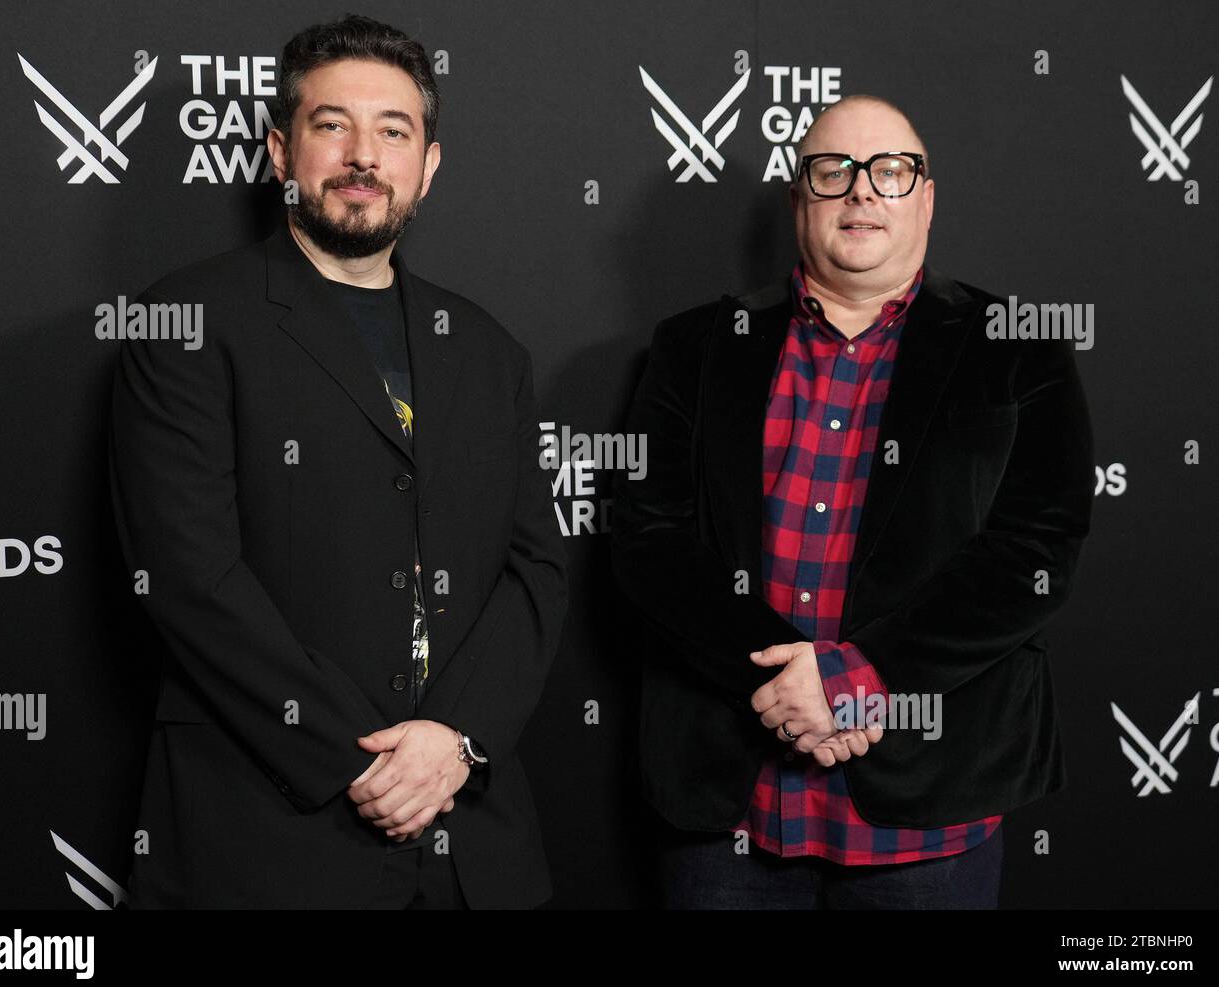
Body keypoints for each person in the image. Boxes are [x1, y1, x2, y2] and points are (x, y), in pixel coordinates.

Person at [108, 14, 567, 909]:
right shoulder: (187, 323)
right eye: (332, 125)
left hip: (473, 848)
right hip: (269, 842)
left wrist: (455, 740)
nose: (365, 155)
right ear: (280, 151)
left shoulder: (487, 350)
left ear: (428, 165)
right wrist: (360, 761)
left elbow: (536, 572)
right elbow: (188, 576)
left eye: (393, 131)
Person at [611, 94, 1093, 909]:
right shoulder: (693, 346)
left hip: (929, 812)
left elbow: (1034, 552)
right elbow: (649, 542)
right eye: (833, 172)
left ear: (926, 199)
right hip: (730, 808)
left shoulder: (1021, 347)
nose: (862, 191)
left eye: (891, 172)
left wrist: (857, 675)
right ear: (800, 200)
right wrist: (790, 684)